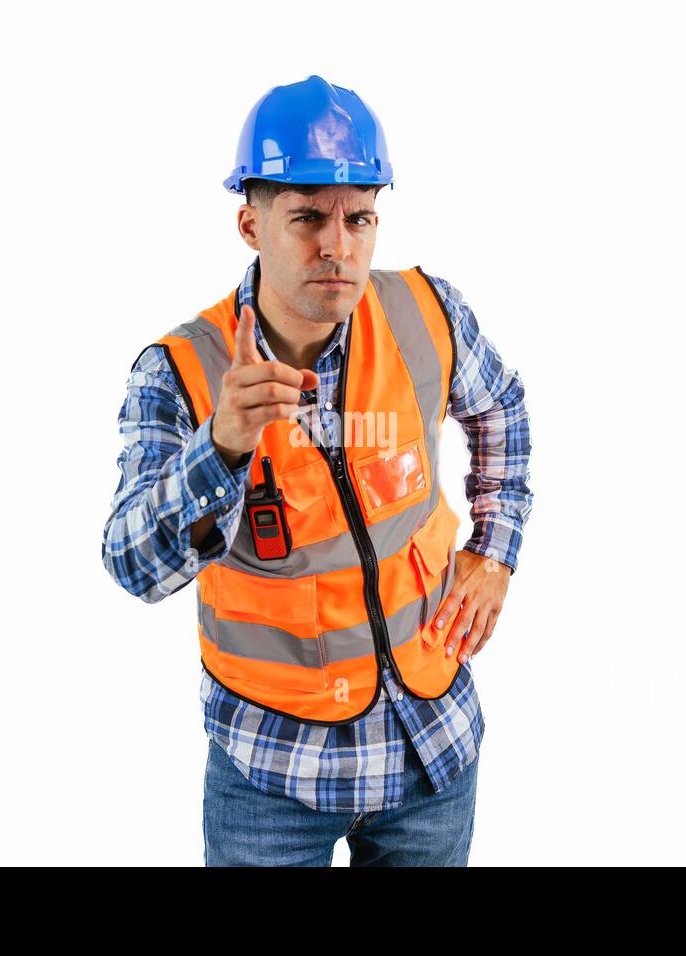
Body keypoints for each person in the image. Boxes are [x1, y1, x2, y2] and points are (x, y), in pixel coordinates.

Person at [102, 75, 532, 866]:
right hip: (271, 777)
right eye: (306, 217)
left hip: (431, 749)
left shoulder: (426, 314)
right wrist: (220, 446)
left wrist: (495, 550)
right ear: (250, 223)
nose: (338, 246)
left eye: (359, 217)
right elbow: (133, 566)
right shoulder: (180, 372)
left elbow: (501, 407)